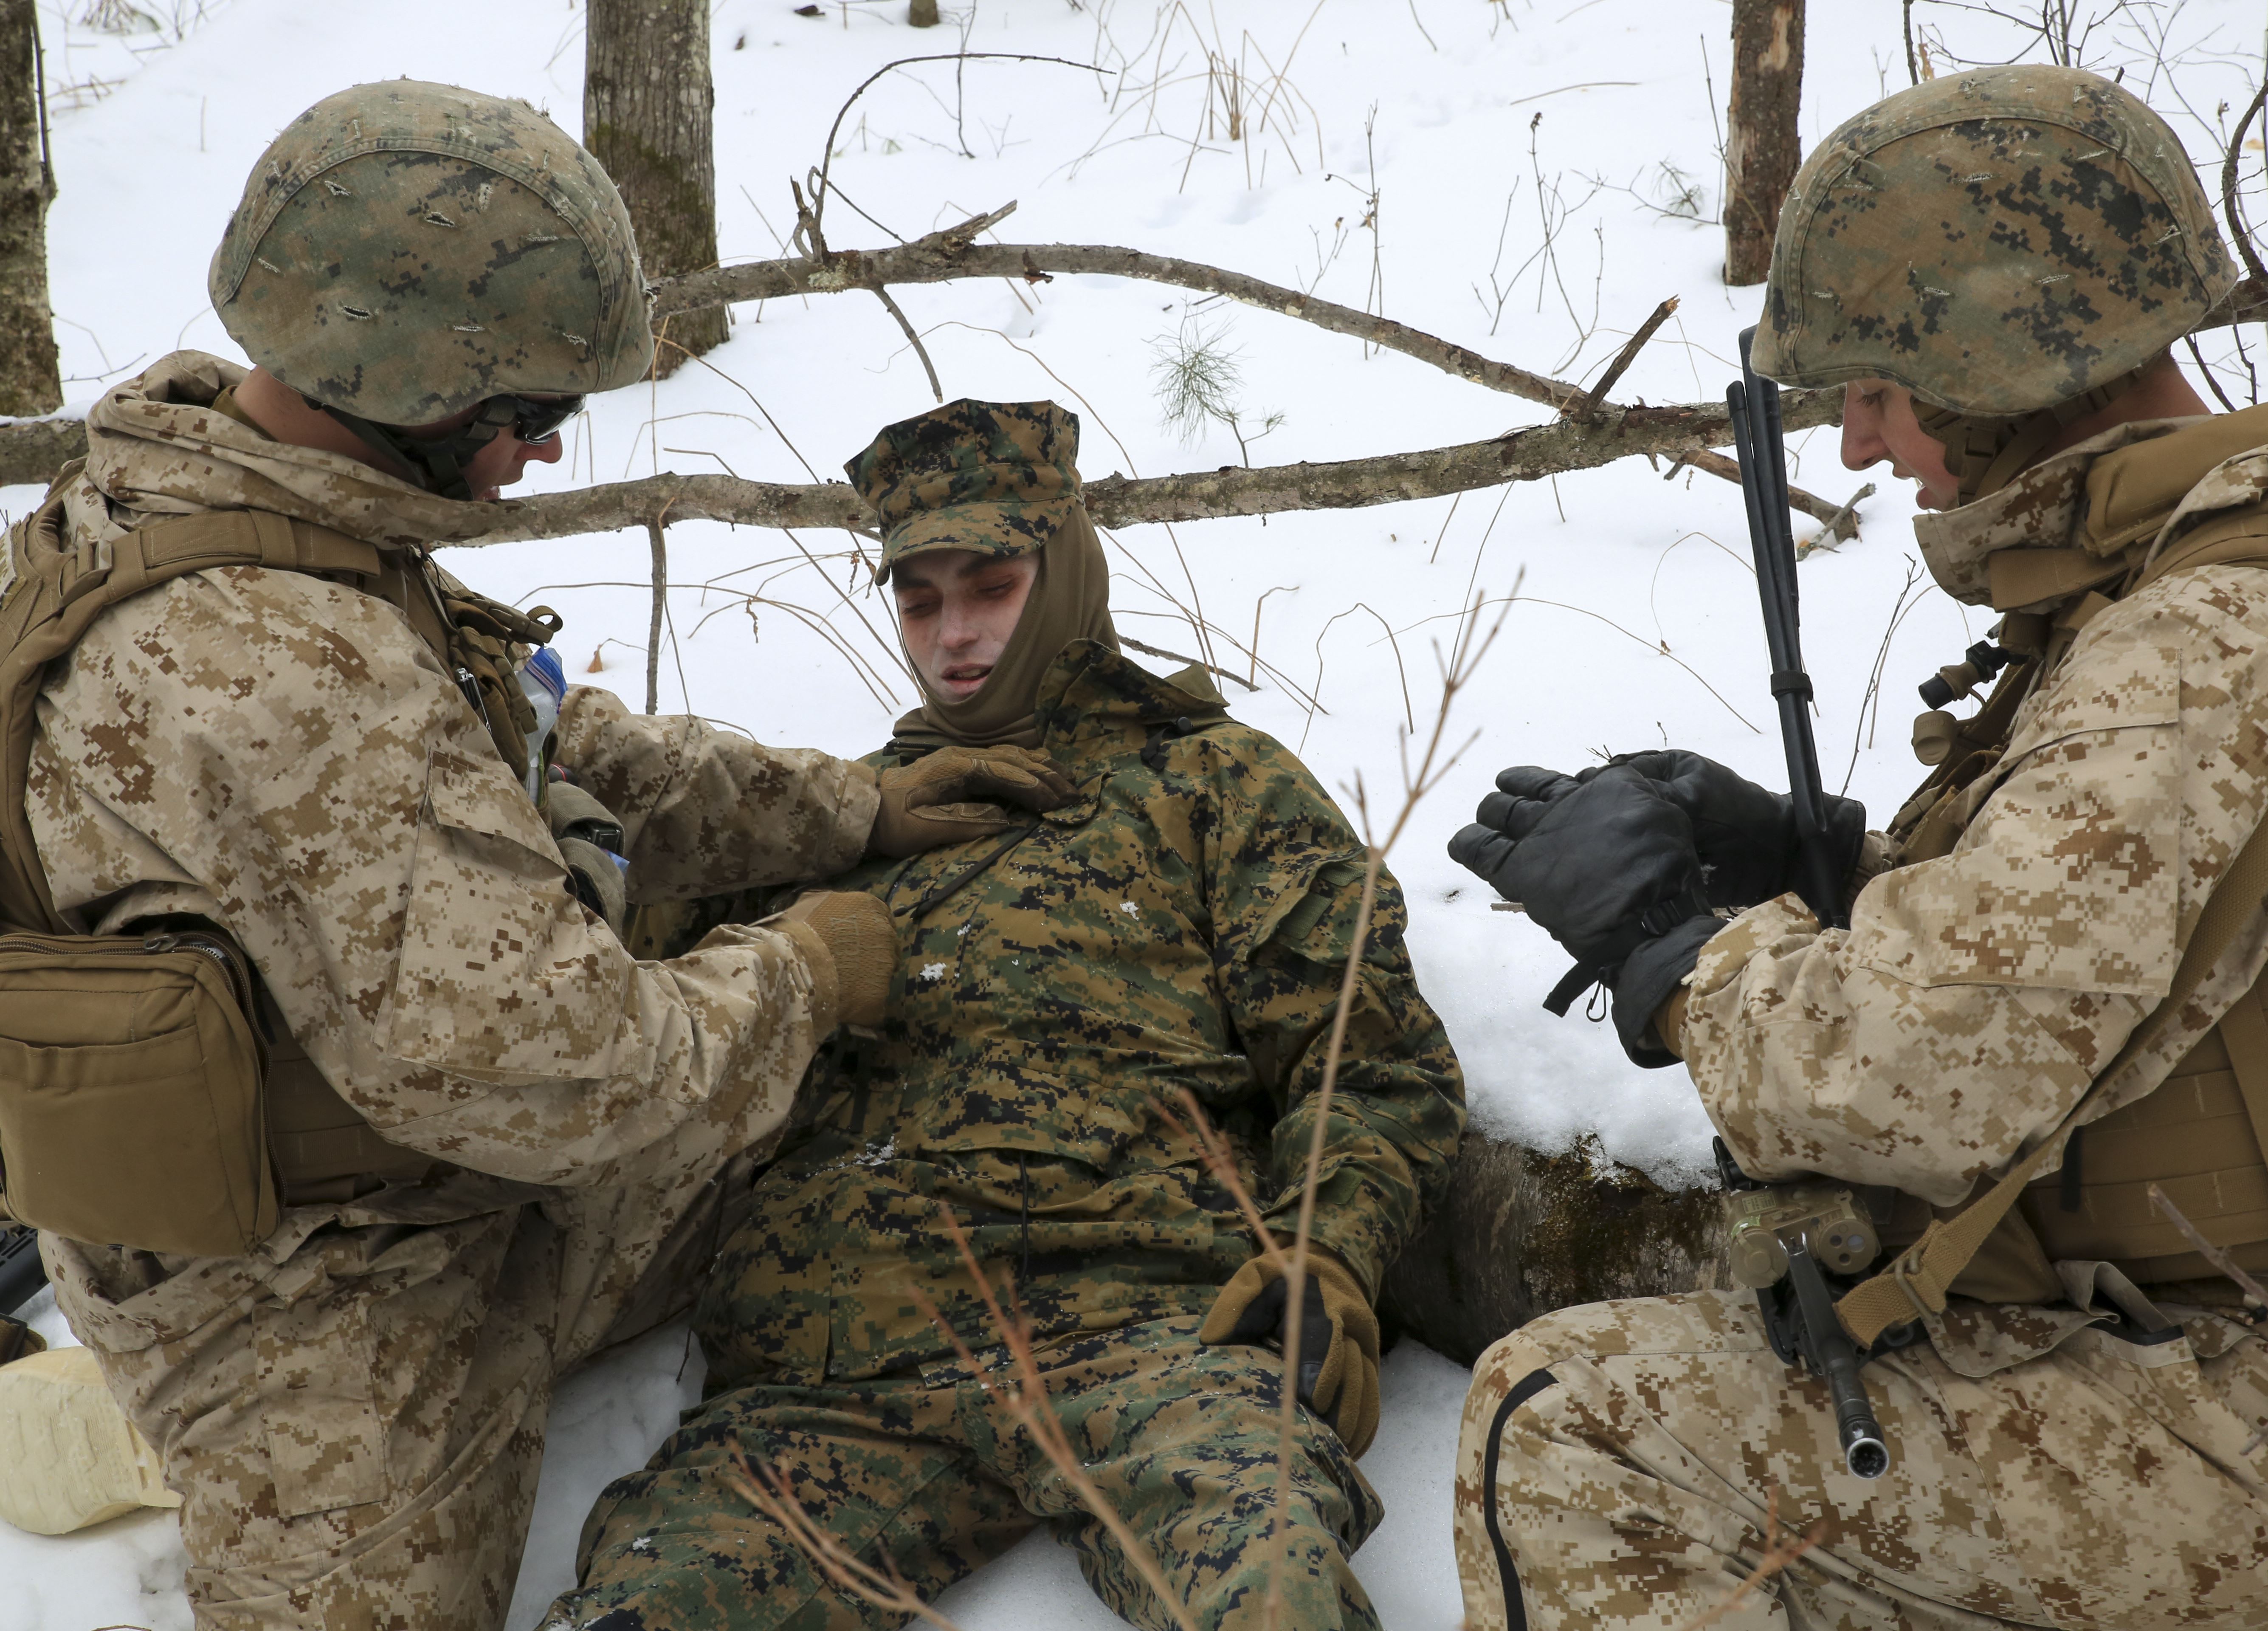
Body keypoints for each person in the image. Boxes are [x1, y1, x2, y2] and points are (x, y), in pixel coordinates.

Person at [0, 82, 1066, 1629]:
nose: (545, 457)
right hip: (308, 1292)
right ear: (406, 384)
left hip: (387, 1154)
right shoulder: (281, 667)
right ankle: (160, 1433)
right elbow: (568, 1068)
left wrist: (849, 807)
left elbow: (539, 746)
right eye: (519, 419)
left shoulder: (211, 484)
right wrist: (802, 970)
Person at [1446, 64, 2268, 1631]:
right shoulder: (2189, 583)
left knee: (1569, 1426)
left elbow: (1919, 1079)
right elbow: (2135, 957)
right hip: (2198, 1329)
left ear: (1998, 357)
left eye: (1875, 388)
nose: (1853, 444)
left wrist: (1674, 952)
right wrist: (1811, 874)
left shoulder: (2210, 640)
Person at [536, 398, 1468, 1631]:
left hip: (1157, 1347)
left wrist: (1325, 1251)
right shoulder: (825, 818)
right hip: (837, 1384)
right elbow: (613, 1004)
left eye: (992, 585)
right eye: (919, 600)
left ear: (1068, 569)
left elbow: (1367, 1063)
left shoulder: (1213, 783)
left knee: (1273, 1600)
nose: (954, 636)